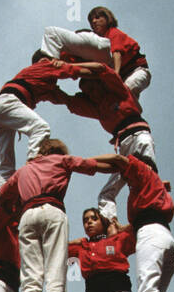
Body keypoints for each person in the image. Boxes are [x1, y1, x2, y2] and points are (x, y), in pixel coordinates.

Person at [0, 138, 120, 292]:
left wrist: (15, 210)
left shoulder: (24, 170)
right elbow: (96, 165)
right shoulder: (62, 160)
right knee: (55, 269)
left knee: (31, 275)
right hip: (53, 211)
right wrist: (122, 168)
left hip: (28, 215)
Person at [56, 67, 156, 225]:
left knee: (146, 178)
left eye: (92, 87)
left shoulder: (119, 91)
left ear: (100, 84)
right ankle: (111, 227)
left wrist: (70, 68)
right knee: (106, 193)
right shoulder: (97, 108)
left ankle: (152, 213)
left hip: (139, 136)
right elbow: (66, 100)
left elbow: (104, 70)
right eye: (87, 92)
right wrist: (47, 82)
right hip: (124, 146)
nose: (92, 93)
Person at [0, 53, 92, 186]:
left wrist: (85, 102)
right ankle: (33, 166)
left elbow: (63, 99)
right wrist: (101, 71)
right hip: (10, 102)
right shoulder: (44, 65)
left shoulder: (40, 81)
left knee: (6, 164)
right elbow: (76, 71)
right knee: (41, 128)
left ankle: (2, 200)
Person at [100, 153, 174, 292]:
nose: (126, 179)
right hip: (167, 237)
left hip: (150, 236)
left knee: (147, 291)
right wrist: (123, 228)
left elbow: (118, 159)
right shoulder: (159, 191)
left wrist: (83, 162)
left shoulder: (143, 173)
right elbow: (149, 215)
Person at [67, 207, 138, 292]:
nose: (89, 222)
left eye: (94, 219)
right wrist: (74, 242)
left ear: (103, 222)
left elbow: (140, 228)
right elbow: (57, 247)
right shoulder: (81, 247)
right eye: (85, 220)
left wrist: (121, 227)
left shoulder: (118, 239)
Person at [87, 7, 151, 97]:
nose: (94, 21)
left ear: (107, 18)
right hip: (124, 76)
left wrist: (115, 76)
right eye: (91, 20)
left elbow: (117, 54)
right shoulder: (101, 41)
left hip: (137, 71)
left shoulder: (114, 33)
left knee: (126, 91)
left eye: (97, 17)